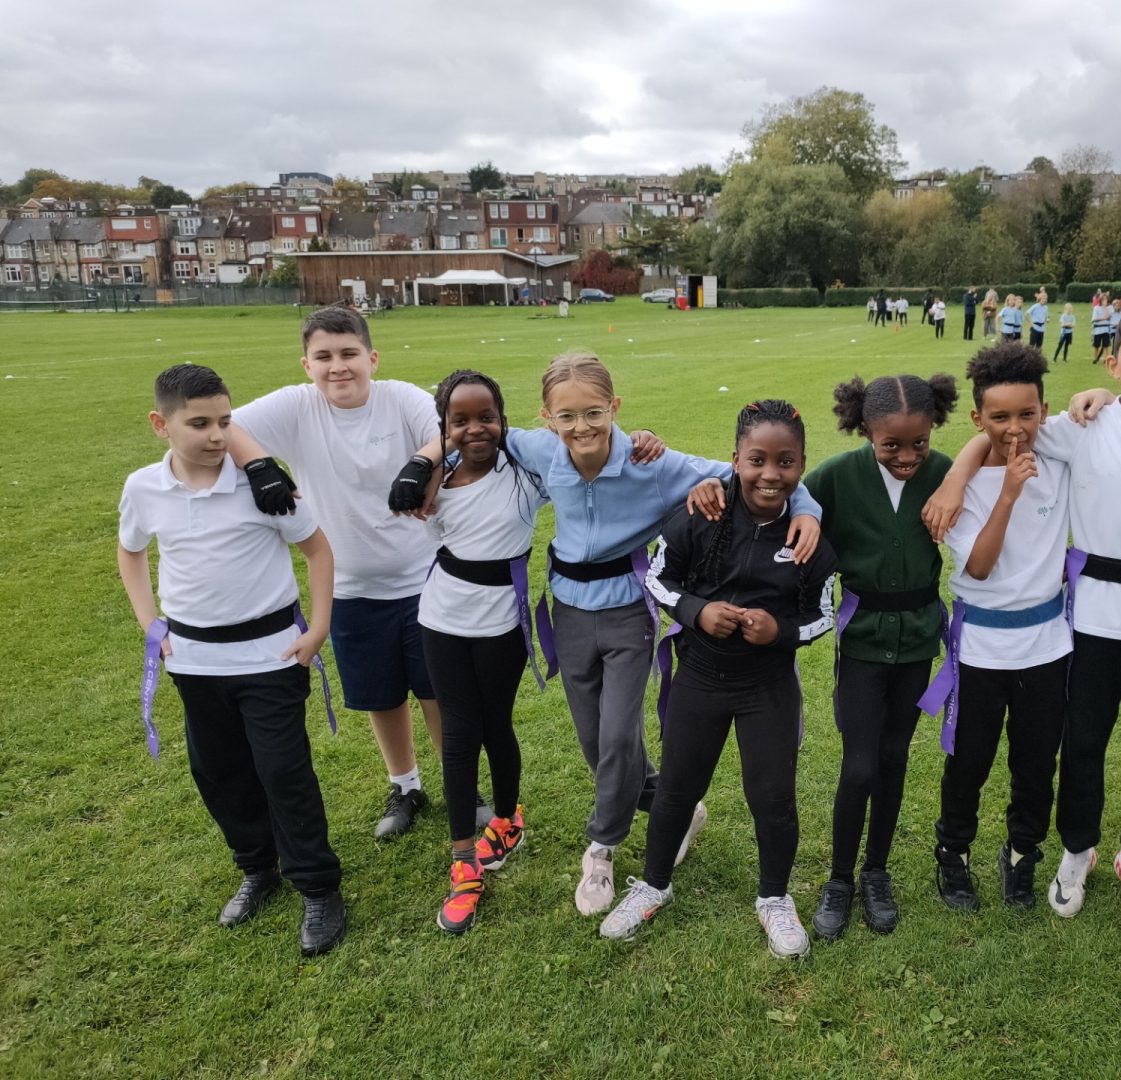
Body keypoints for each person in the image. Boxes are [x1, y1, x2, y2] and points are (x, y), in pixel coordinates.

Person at [403, 354, 822, 917]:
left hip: (627, 615)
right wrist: (422, 461)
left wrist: (809, 508)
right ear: (547, 417)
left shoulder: (651, 462)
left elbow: (751, 473)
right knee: (596, 742)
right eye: (567, 416)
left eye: (594, 413)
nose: (582, 428)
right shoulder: (540, 448)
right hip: (569, 617)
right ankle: (677, 808)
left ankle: (600, 850)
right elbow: (477, 435)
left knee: (619, 737)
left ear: (615, 408)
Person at [926, 304, 1121, 932]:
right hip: (1089, 617)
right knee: (1081, 742)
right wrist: (957, 479)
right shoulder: (1080, 428)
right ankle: (1074, 850)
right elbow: (1000, 428)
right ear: (1112, 359)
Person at [117, 364, 345, 956]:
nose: (217, 435)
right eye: (199, 423)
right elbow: (131, 552)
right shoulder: (144, 488)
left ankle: (318, 886)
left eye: (225, 421)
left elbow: (318, 551)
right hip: (194, 662)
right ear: (159, 425)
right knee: (218, 771)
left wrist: (318, 625)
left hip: (270, 657)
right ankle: (256, 867)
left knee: (282, 771)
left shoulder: (261, 485)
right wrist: (150, 623)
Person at [600, 401, 839, 959]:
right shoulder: (700, 511)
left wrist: (779, 631)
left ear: (802, 466)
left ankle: (775, 898)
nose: (770, 474)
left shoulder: (807, 537)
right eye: (756, 459)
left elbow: (825, 613)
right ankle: (654, 884)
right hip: (700, 681)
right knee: (678, 787)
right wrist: (695, 611)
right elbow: (657, 576)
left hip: (768, 689)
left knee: (773, 797)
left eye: (786, 462)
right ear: (735, 458)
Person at [225, 306, 452, 841]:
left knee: (438, 691)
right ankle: (406, 785)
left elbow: (447, 429)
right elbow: (225, 426)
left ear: (371, 358)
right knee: (381, 696)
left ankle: (461, 783)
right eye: (324, 357)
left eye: (349, 354)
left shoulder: (400, 398)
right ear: (306, 364)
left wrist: (422, 460)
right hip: (349, 588)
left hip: (427, 581)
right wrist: (260, 464)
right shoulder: (297, 407)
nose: (338, 367)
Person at [805, 375, 958, 940]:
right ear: (865, 430)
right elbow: (786, 496)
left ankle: (876, 873)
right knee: (860, 763)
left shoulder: (945, 471)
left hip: (918, 638)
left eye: (919, 442)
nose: (907, 456)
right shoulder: (840, 476)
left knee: (895, 759)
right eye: (890, 444)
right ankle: (840, 878)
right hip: (864, 640)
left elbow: (991, 449)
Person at [933, 344, 1071, 914]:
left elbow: (1116, 411)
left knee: (1036, 760)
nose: (1015, 429)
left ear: (1044, 411)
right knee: (970, 758)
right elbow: (982, 565)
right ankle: (953, 852)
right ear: (977, 420)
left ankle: (1022, 852)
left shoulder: (1061, 460)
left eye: (1027, 415)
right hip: (982, 647)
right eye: (999, 417)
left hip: (1047, 645)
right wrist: (1006, 490)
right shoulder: (956, 489)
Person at [418, 371, 547, 935]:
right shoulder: (430, 480)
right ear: (443, 427)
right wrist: (434, 453)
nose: (476, 429)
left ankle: (507, 818)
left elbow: (588, 462)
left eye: (486, 417)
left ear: (504, 418)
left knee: (497, 723)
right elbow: (407, 500)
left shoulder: (526, 472)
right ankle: (464, 863)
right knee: (458, 734)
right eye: (460, 420)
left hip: (503, 620)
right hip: (441, 617)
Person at [1091, 293, 1112, 364]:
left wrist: (1105, 308)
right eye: (1103, 299)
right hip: (1097, 330)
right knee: (1096, 345)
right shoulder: (1096, 308)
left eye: (1106, 299)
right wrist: (1103, 318)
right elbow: (1094, 319)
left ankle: (1106, 359)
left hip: (1106, 329)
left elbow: (1109, 318)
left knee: (1106, 345)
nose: (1104, 301)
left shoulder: (1110, 307)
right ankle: (1095, 358)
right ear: (1100, 300)